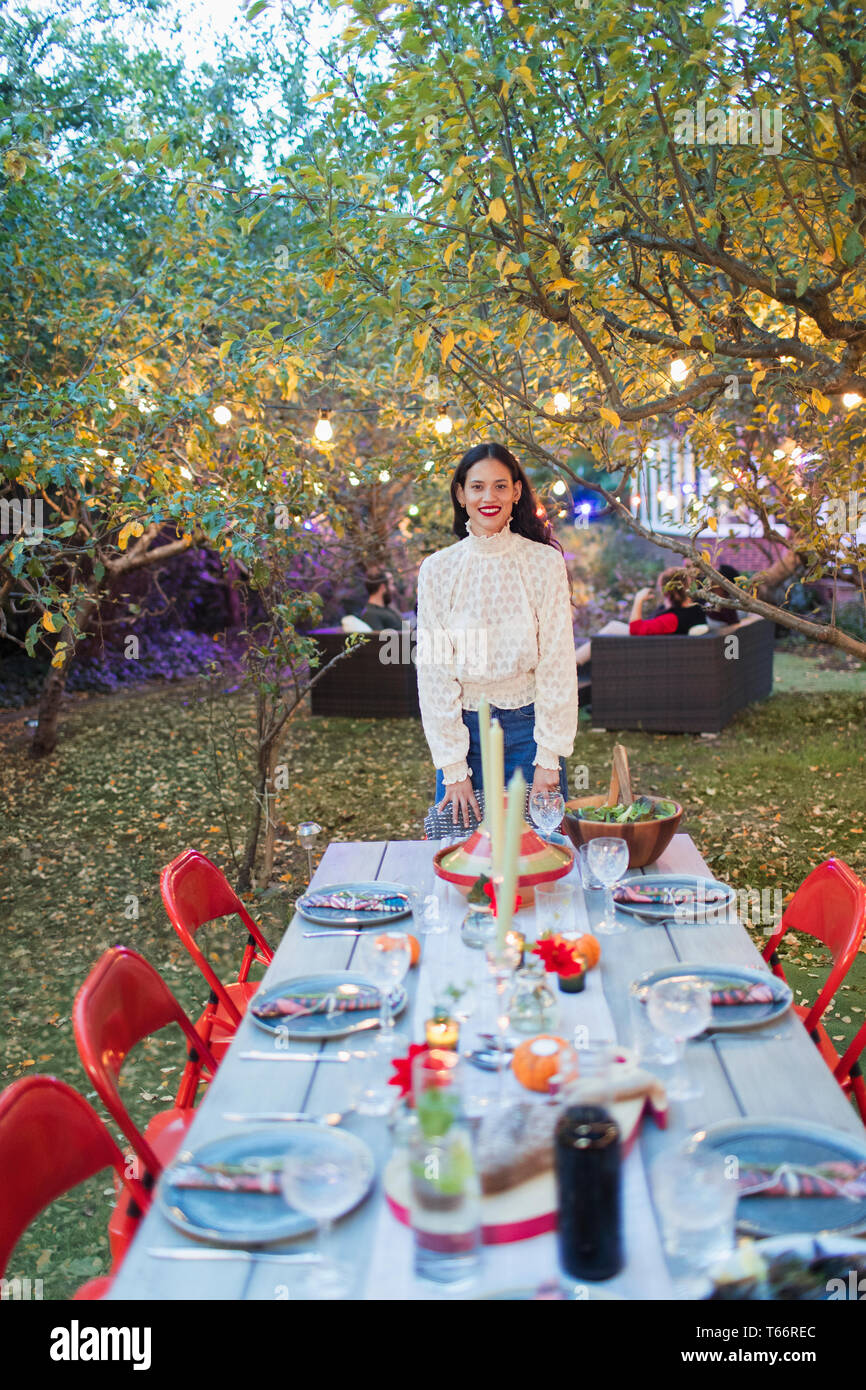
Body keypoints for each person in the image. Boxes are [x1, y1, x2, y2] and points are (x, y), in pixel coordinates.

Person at [416, 442, 577, 828]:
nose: (489, 497)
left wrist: (548, 757)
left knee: (541, 856)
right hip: (464, 736)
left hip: (531, 733)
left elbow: (557, 661)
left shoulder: (544, 563)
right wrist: (454, 767)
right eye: (477, 487)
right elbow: (435, 673)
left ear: (517, 491)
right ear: (461, 494)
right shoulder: (437, 570)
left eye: (500, 486)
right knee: (462, 859)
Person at [629, 566, 708, 634]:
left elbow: (635, 630)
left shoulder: (672, 619)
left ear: (666, 592)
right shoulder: (697, 610)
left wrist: (638, 599)